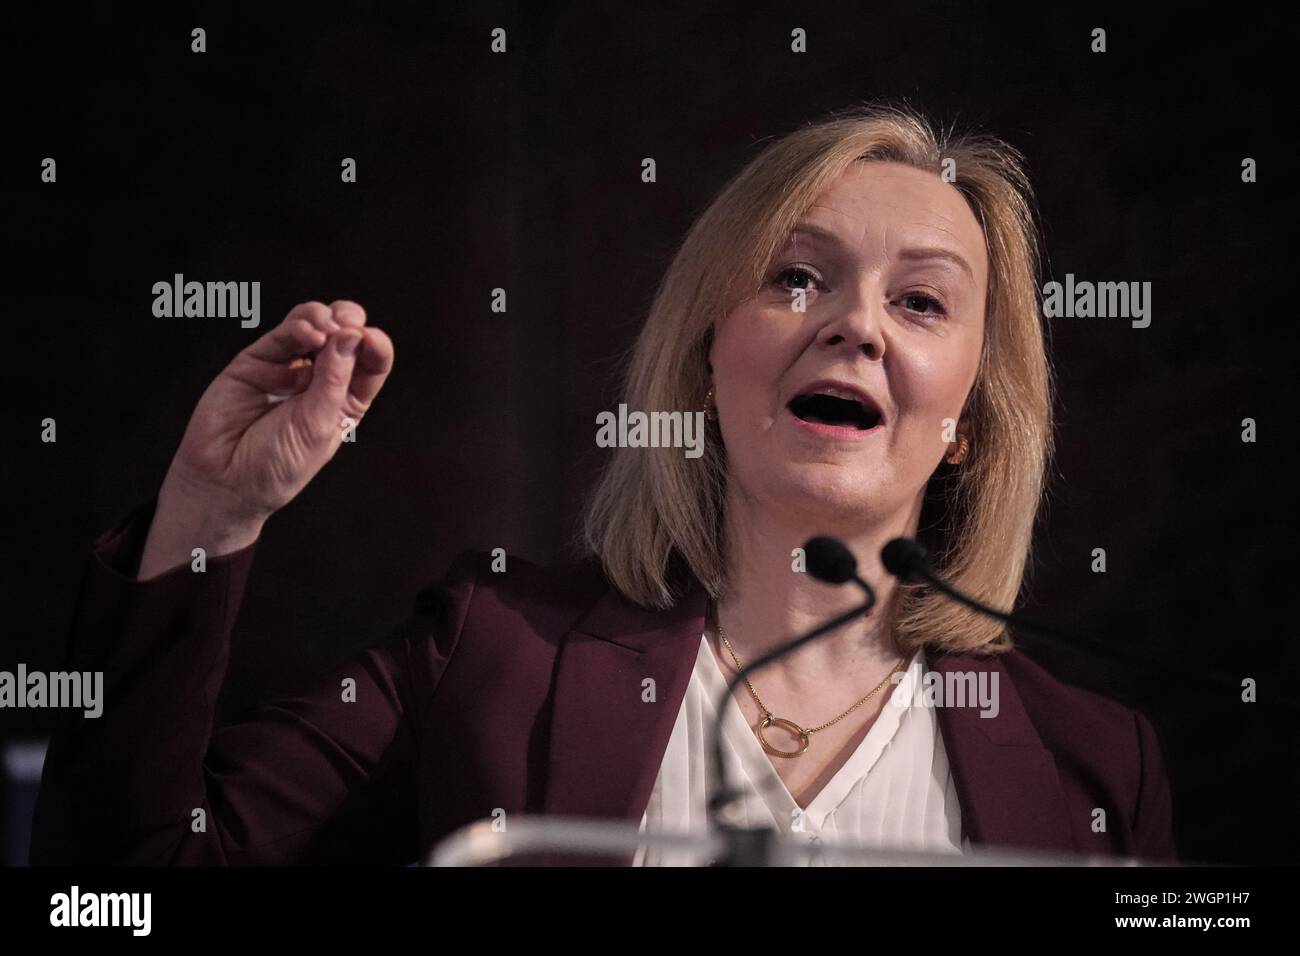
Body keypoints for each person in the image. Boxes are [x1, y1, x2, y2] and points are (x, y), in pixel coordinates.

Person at [30, 104, 1177, 866]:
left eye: (920, 300)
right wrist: (208, 515)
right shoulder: (489, 650)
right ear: (705, 357)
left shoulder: (1093, 765)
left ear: (969, 420)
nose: (854, 326)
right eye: (796, 276)